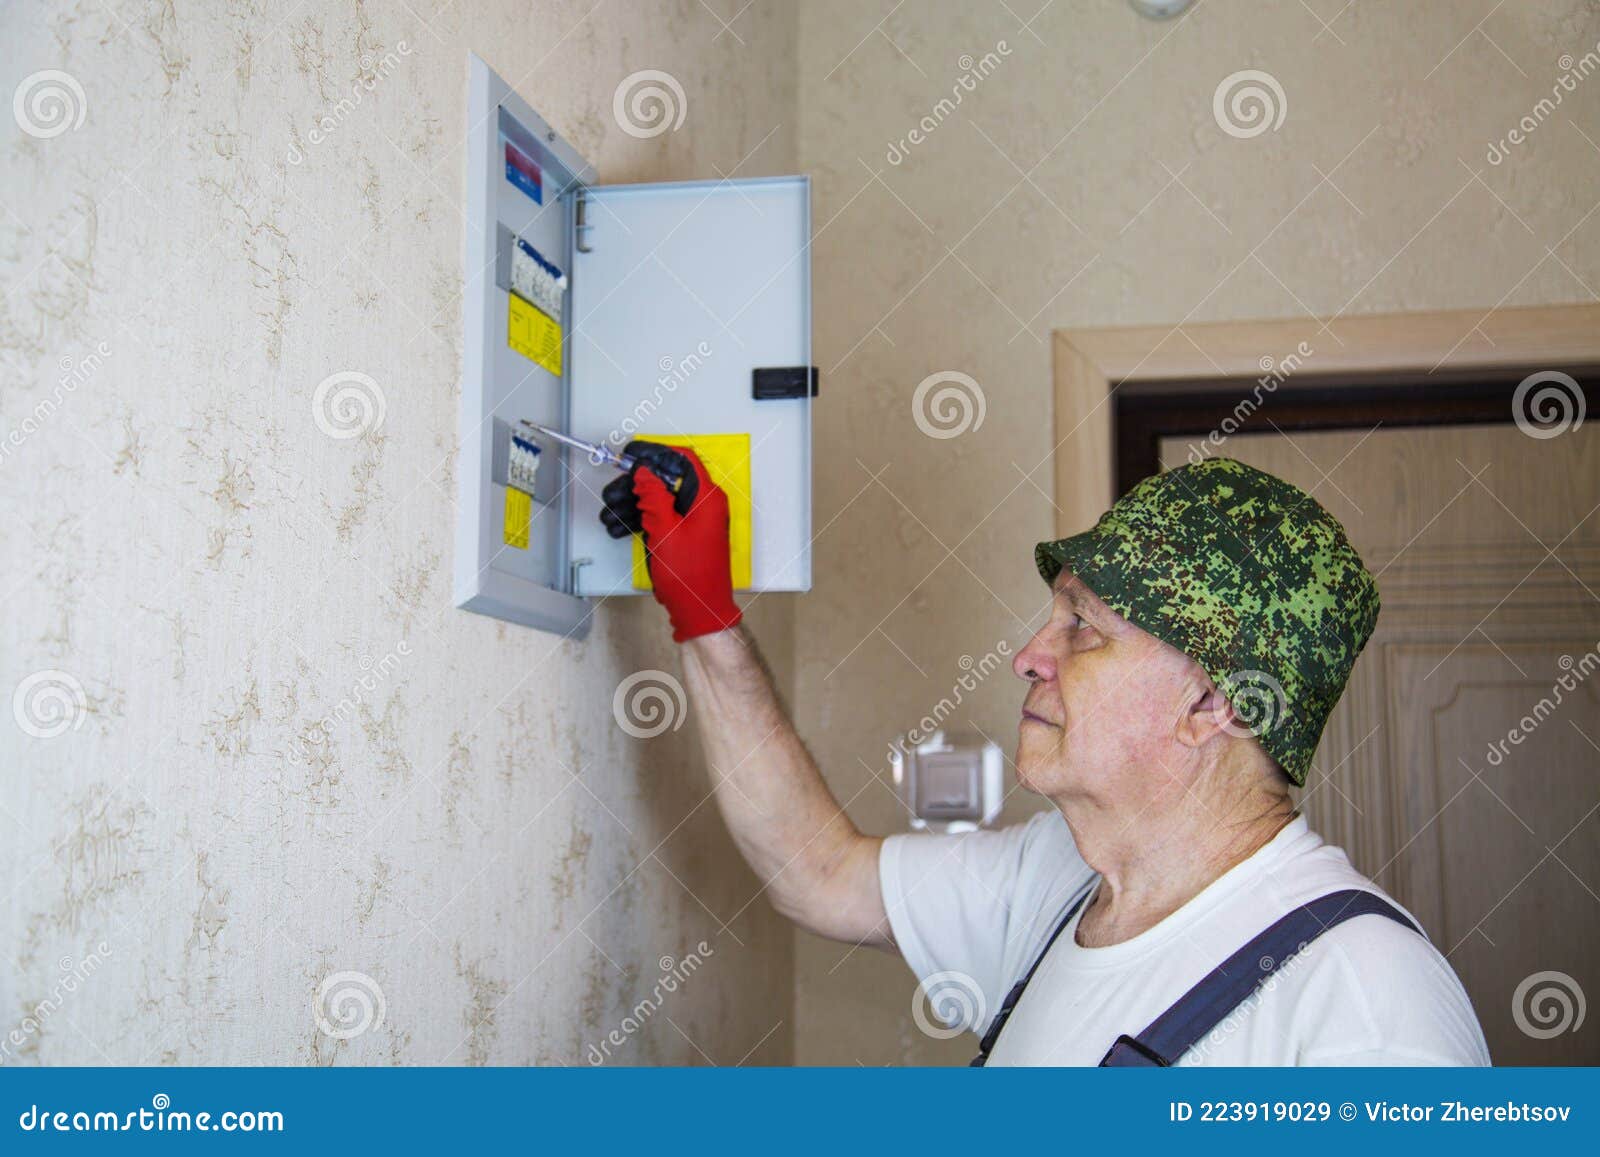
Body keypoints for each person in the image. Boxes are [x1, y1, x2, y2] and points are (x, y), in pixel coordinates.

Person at [603, 446, 1490, 1066]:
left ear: (1215, 702)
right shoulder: (1055, 879)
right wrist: (706, 617)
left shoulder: (1367, 999)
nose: (1030, 652)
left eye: (1084, 627)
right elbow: (820, 872)